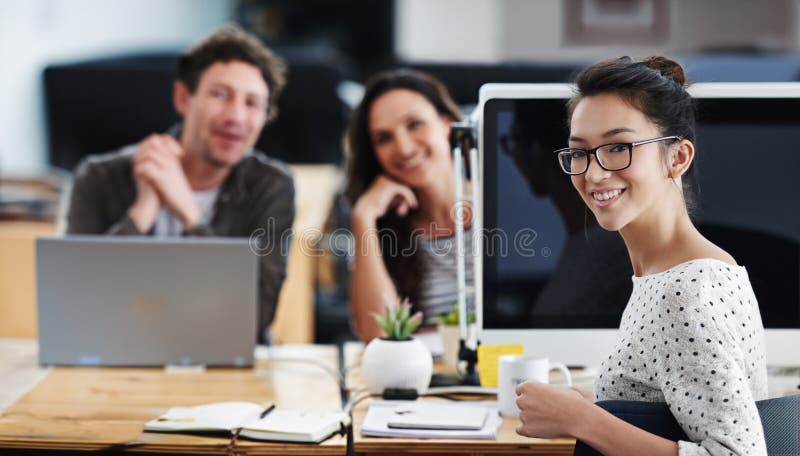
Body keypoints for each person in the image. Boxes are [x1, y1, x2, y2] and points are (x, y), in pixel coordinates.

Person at [514, 56, 767, 455]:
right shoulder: (669, 274)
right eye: (580, 152)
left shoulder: (685, 293)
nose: (594, 174)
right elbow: (667, 400)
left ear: (678, 158)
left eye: (618, 147)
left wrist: (582, 420)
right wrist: (590, 400)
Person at [65, 25, 295, 342]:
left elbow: (256, 314)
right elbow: (78, 307)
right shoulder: (99, 176)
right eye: (220, 95)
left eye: (252, 103)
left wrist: (191, 216)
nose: (236, 117)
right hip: (120, 355)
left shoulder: (271, 186)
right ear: (183, 97)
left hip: (225, 361)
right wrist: (142, 211)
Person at [344, 69, 469, 342]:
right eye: (384, 138)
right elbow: (378, 336)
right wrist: (363, 217)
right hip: (429, 381)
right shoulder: (386, 227)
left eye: (414, 124)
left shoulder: (503, 202)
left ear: (447, 124)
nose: (404, 148)